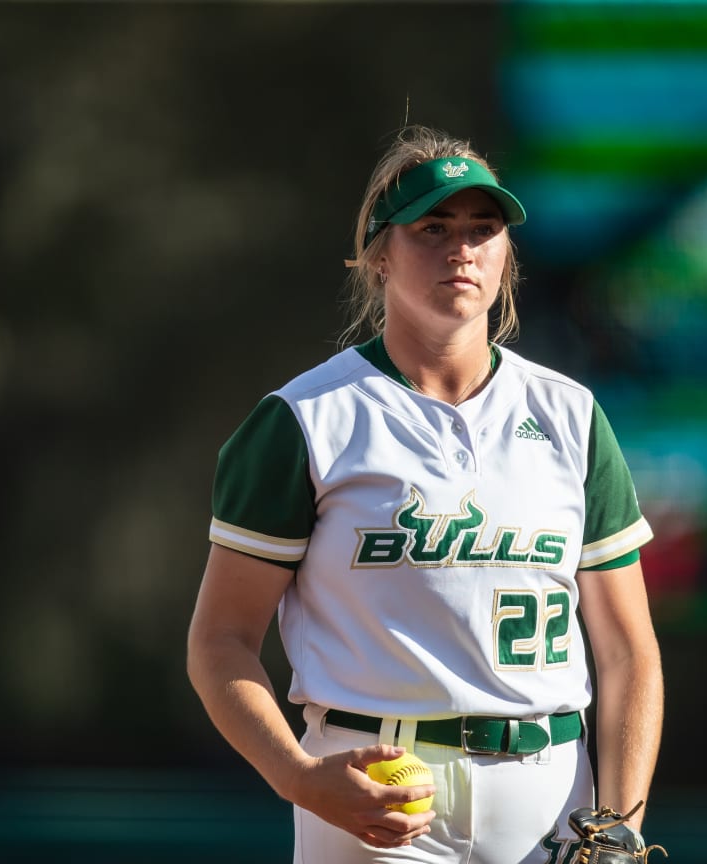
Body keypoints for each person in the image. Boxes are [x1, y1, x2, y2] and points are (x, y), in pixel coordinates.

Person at [186, 125, 664, 864]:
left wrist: (620, 826)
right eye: (433, 228)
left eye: (483, 229)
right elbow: (220, 641)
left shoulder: (569, 415)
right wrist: (299, 776)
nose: (461, 249)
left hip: (552, 798)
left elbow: (629, 651)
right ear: (379, 254)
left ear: (506, 257)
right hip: (375, 788)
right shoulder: (308, 419)